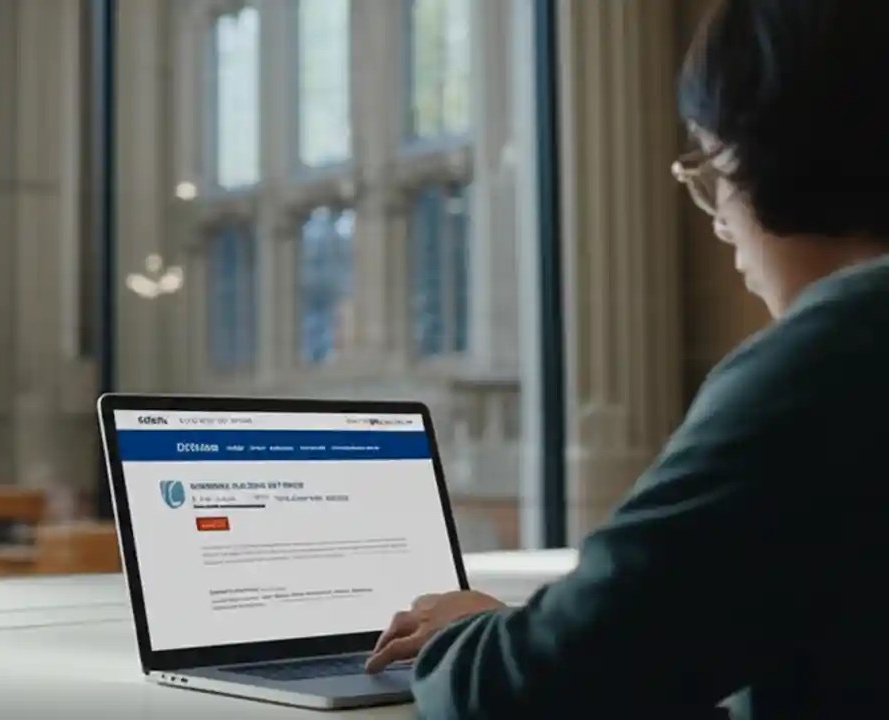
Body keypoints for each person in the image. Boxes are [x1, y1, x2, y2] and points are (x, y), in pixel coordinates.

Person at [365, 1, 889, 718]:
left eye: (712, 164)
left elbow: (534, 689)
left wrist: (466, 635)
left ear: (771, 150)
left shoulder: (832, 354)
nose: (720, 220)